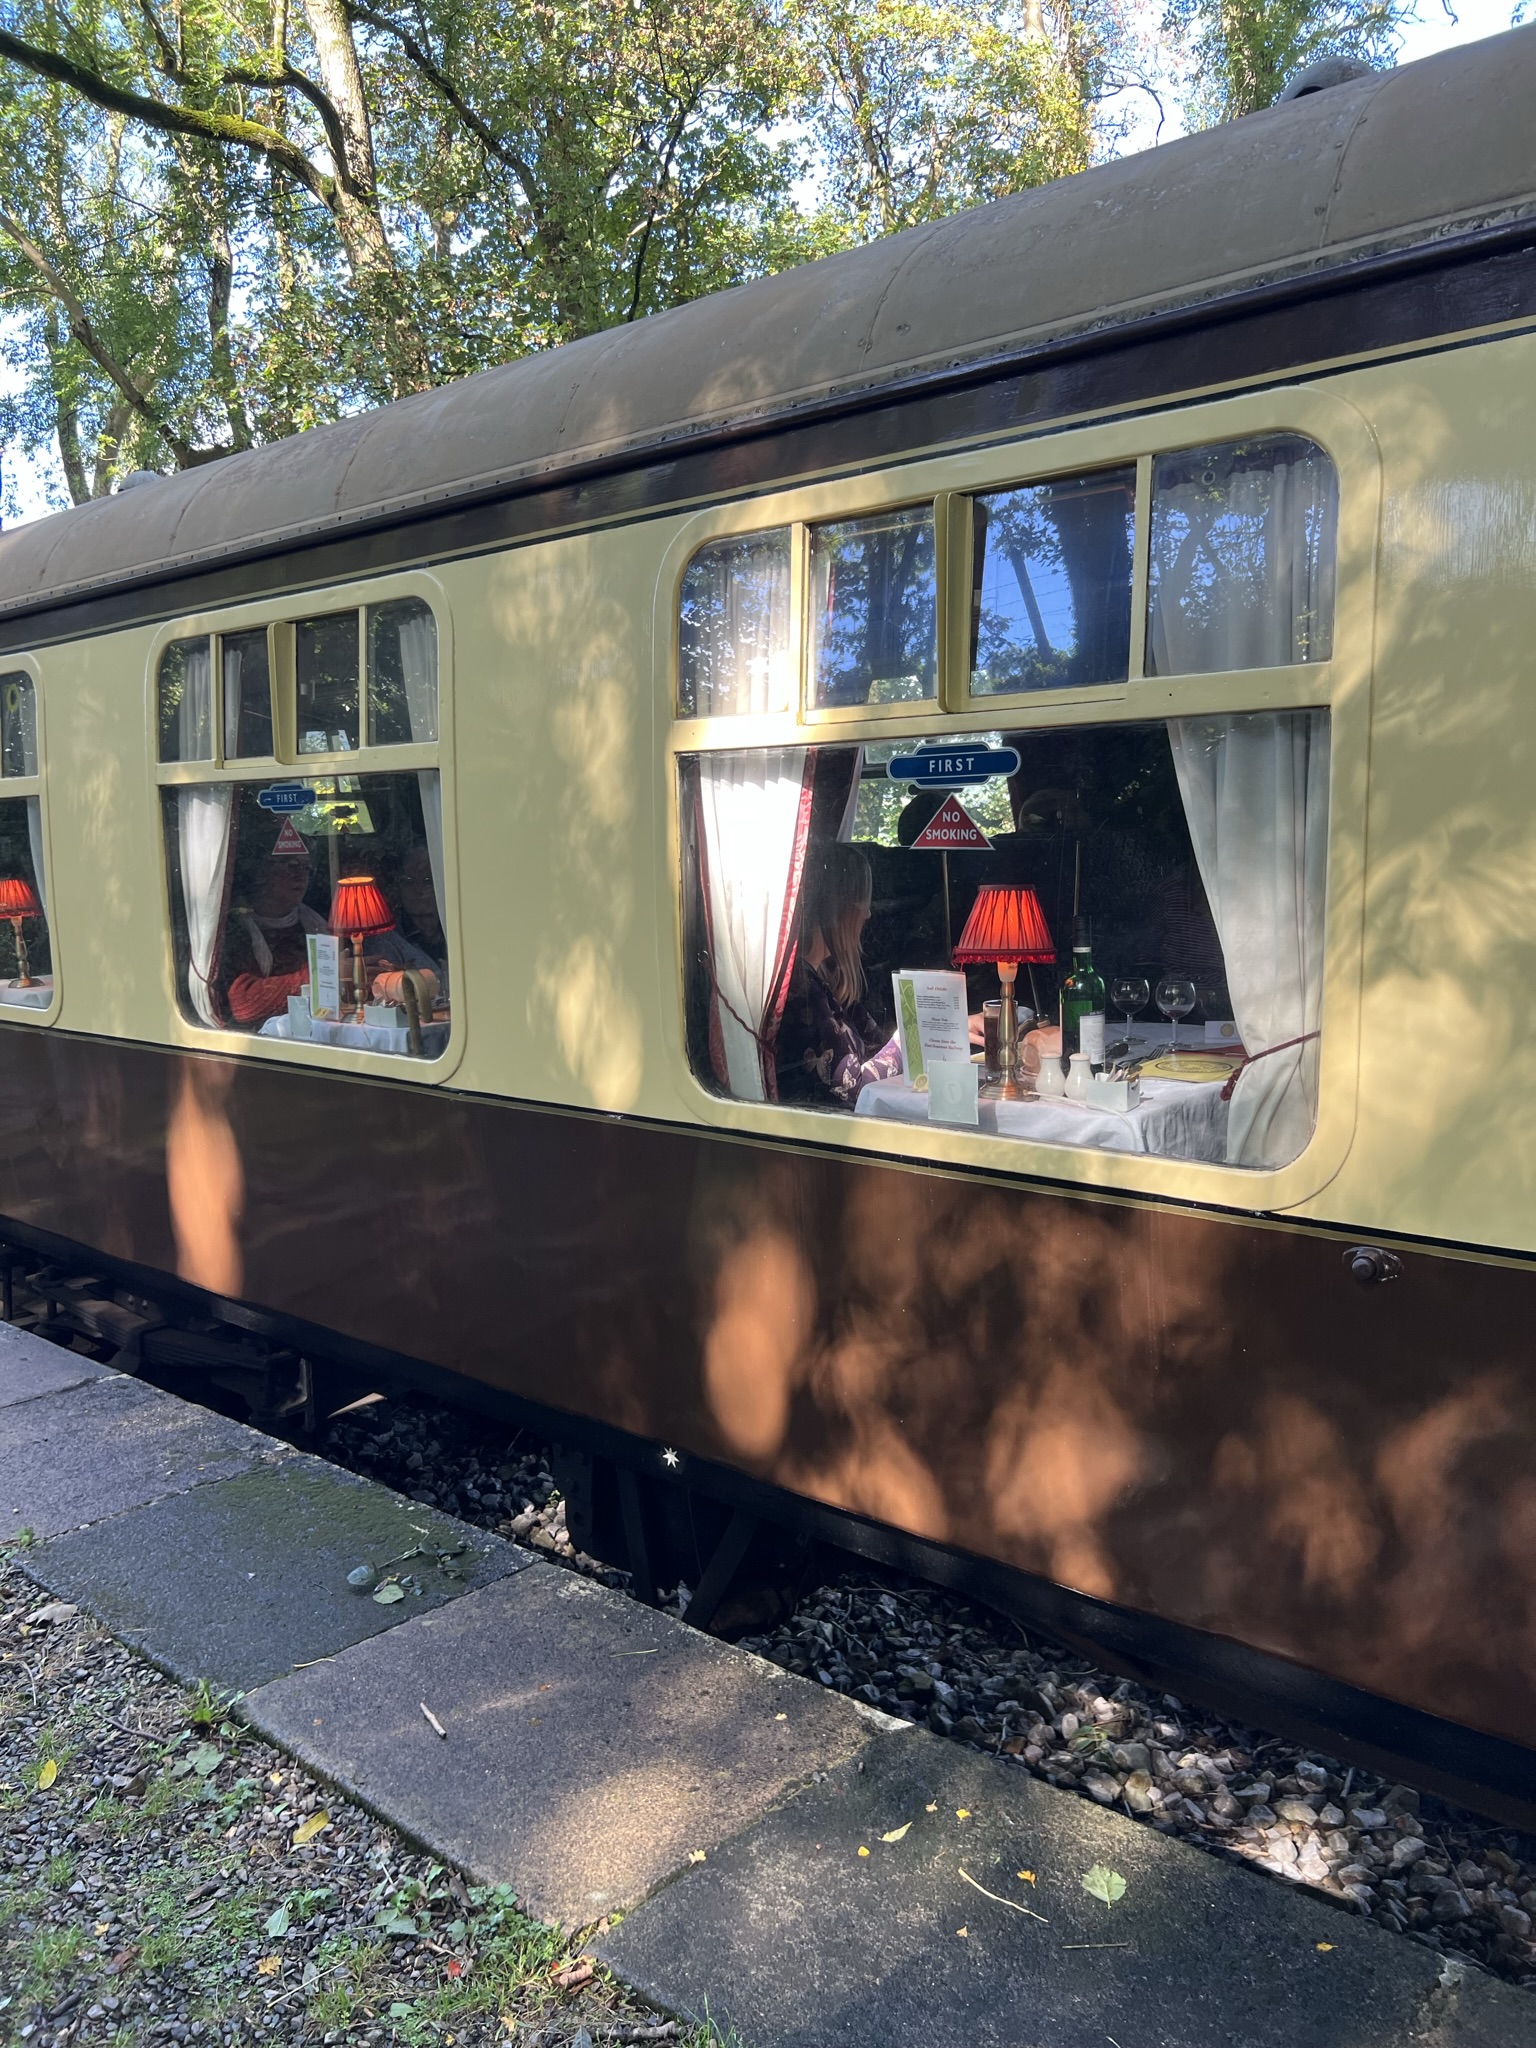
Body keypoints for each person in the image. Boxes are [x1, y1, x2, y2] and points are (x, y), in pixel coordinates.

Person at [775, 842, 903, 1109]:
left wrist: (948, 1026)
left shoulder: (827, 978)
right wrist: (907, 1041)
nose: (868, 914)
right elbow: (853, 1087)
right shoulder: (803, 992)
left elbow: (876, 1044)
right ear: (838, 909)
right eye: (862, 903)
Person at [218, 822, 329, 1028]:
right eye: (290, 865)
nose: (301, 876)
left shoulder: (317, 925)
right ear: (260, 870)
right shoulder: (235, 930)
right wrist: (324, 977)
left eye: (306, 868)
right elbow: (243, 1004)